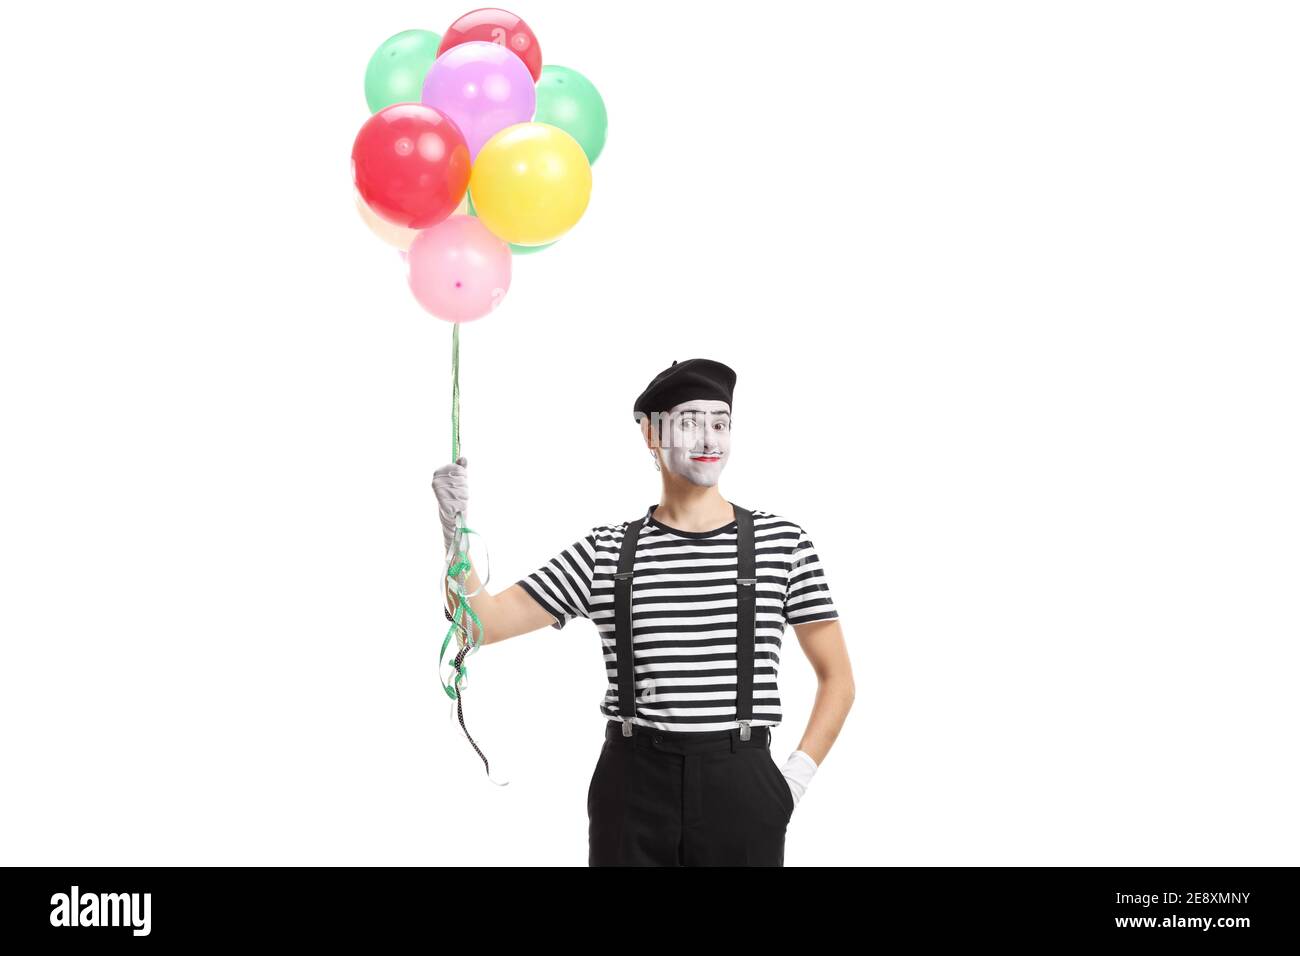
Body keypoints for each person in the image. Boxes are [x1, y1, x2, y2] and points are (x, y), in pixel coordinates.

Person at [432, 358, 855, 866]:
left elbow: (838, 679)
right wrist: (453, 530)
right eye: (689, 421)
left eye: (720, 423)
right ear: (651, 436)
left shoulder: (783, 545)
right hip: (632, 787)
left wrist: (792, 781)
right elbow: (485, 625)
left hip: (743, 784)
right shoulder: (606, 550)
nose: (708, 438)